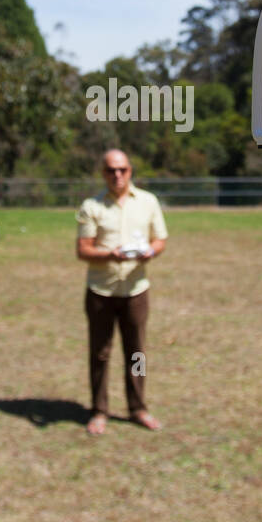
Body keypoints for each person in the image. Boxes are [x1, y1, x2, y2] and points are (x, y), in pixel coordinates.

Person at [75, 149, 168, 435]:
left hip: (136, 291)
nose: (117, 175)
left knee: (136, 353)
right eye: (111, 170)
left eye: (123, 170)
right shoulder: (92, 207)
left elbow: (160, 238)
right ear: (103, 173)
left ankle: (138, 408)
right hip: (100, 292)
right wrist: (110, 255)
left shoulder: (148, 202)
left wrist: (150, 252)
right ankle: (99, 410)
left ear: (130, 171)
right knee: (100, 353)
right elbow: (83, 250)